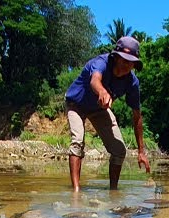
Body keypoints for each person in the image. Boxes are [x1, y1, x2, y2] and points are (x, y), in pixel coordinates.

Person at [64, 36, 151, 192]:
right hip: (75, 104)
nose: (127, 66)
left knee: (119, 150)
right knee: (77, 141)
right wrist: (102, 91)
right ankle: (76, 192)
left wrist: (141, 151)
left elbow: (137, 116)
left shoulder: (132, 82)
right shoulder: (101, 63)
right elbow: (94, 80)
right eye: (124, 60)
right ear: (116, 57)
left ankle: (113, 191)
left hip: (98, 109)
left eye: (131, 63)